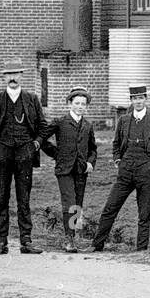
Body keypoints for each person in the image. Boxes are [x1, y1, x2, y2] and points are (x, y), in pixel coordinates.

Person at [0, 59, 48, 255]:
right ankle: (1, 240)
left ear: (21, 76)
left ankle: (26, 240)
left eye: (16, 74)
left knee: (24, 198)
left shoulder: (32, 99)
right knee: (2, 197)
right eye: (9, 75)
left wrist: (35, 144)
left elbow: (43, 127)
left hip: (25, 154)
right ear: (4, 77)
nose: (12, 78)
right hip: (2, 155)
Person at [92, 84, 150, 252]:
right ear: (131, 100)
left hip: (146, 171)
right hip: (126, 170)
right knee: (110, 207)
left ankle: (141, 250)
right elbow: (116, 144)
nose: (138, 101)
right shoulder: (124, 120)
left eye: (141, 98)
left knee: (144, 213)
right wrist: (117, 160)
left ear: (146, 100)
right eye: (135, 98)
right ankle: (96, 244)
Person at [41, 88, 98, 252]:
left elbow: (93, 149)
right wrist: (56, 154)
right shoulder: (60, 122)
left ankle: (73, 235)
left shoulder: (88, 125)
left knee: (78, 203)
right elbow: (42, 138)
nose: (80, 106)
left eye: (83, 104)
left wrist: (90, 162)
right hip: (64, 169)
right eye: (77, 103)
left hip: (81, 170)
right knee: (69, 201)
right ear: (70, 104)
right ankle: (69, 239)